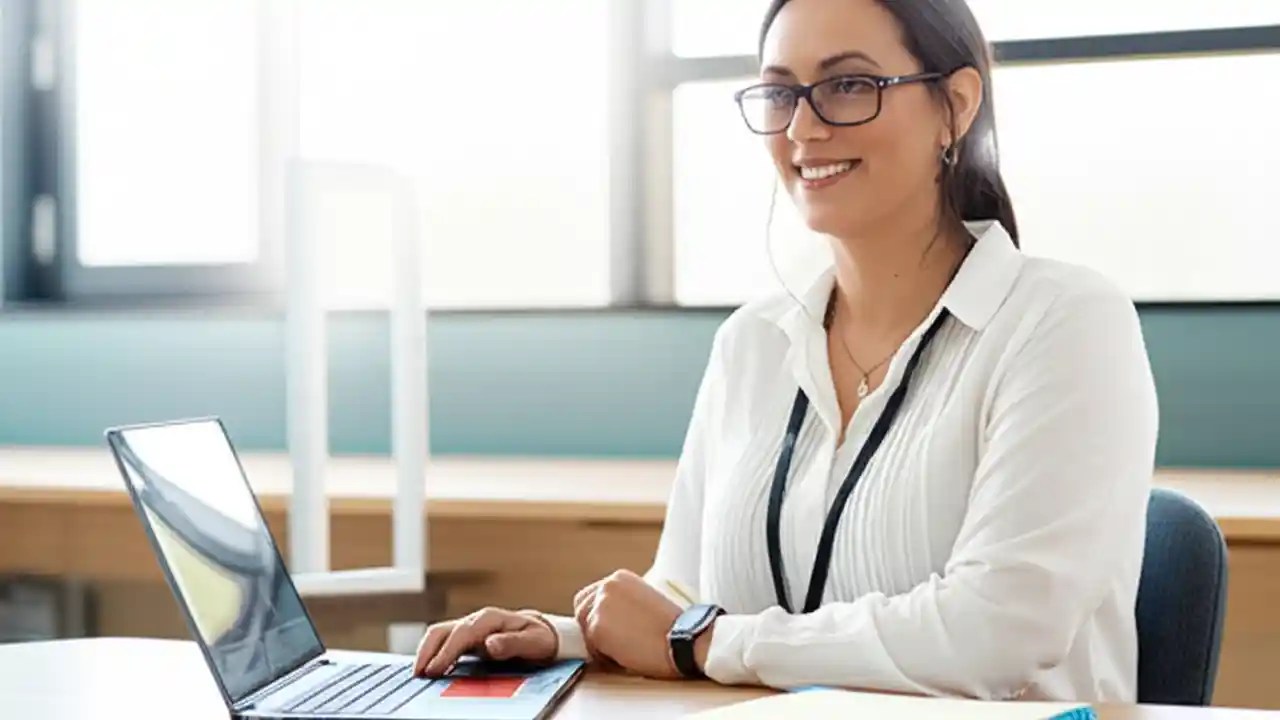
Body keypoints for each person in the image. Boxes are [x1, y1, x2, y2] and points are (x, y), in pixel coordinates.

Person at [413, 0, 1157, 702]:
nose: (804, 127)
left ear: (955, 106)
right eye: (779, 94)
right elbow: (682, 600)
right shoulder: (753, 342)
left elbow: (992, 634)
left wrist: (695, 641)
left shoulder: (1064, 324)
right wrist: (568, 638)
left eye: (849, 85)